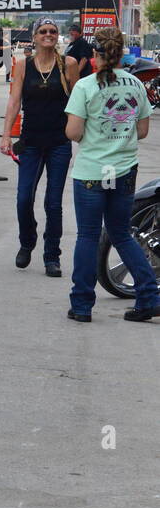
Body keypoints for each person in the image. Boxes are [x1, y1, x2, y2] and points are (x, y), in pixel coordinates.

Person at [64, 27, 157, 321]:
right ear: (122, 52)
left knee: (88, 236)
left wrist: (93, 137)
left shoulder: (85, 86)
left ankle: (81, 305)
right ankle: (149, 296)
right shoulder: (136, 85)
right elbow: (142, 131)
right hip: (124, 171)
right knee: (121, 234)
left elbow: (73, 131)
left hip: (92, 171)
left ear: (95, 55)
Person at [0, 18, 79, 276]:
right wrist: (5, 135)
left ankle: (51, 256)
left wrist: (82, 133)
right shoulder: (23, 66)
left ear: (58, 36)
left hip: (59, 143)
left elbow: (78, 101)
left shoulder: (69, 64)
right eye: (43, 31)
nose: (48, 35)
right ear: (34, 37)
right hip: (30, 142)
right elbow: (14, 101)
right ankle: (27, 241)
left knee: (53, 203)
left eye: (53, 31)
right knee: (24, 199)